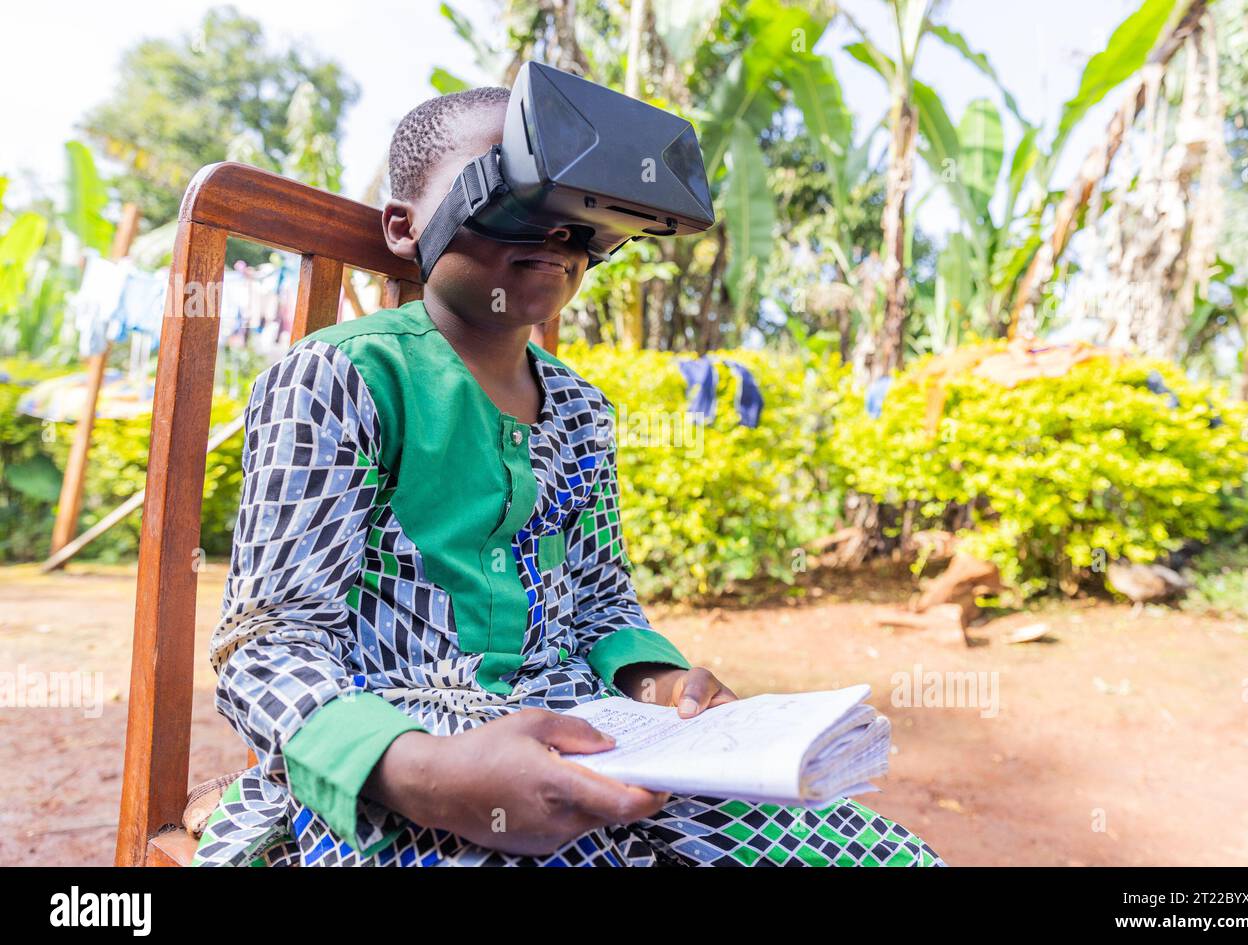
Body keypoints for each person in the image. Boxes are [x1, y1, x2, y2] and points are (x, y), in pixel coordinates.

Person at [193, 86, 943, 867]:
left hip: (590, 734)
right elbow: (269, 644)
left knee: (864, 852)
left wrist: (662, 685)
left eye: (582, 218)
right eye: (511, 194)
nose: (555, 233)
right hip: (396, 756)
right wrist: (425, 771)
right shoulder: (340, 378)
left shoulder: (581, 410)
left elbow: (600, 604)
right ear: (403, 225)